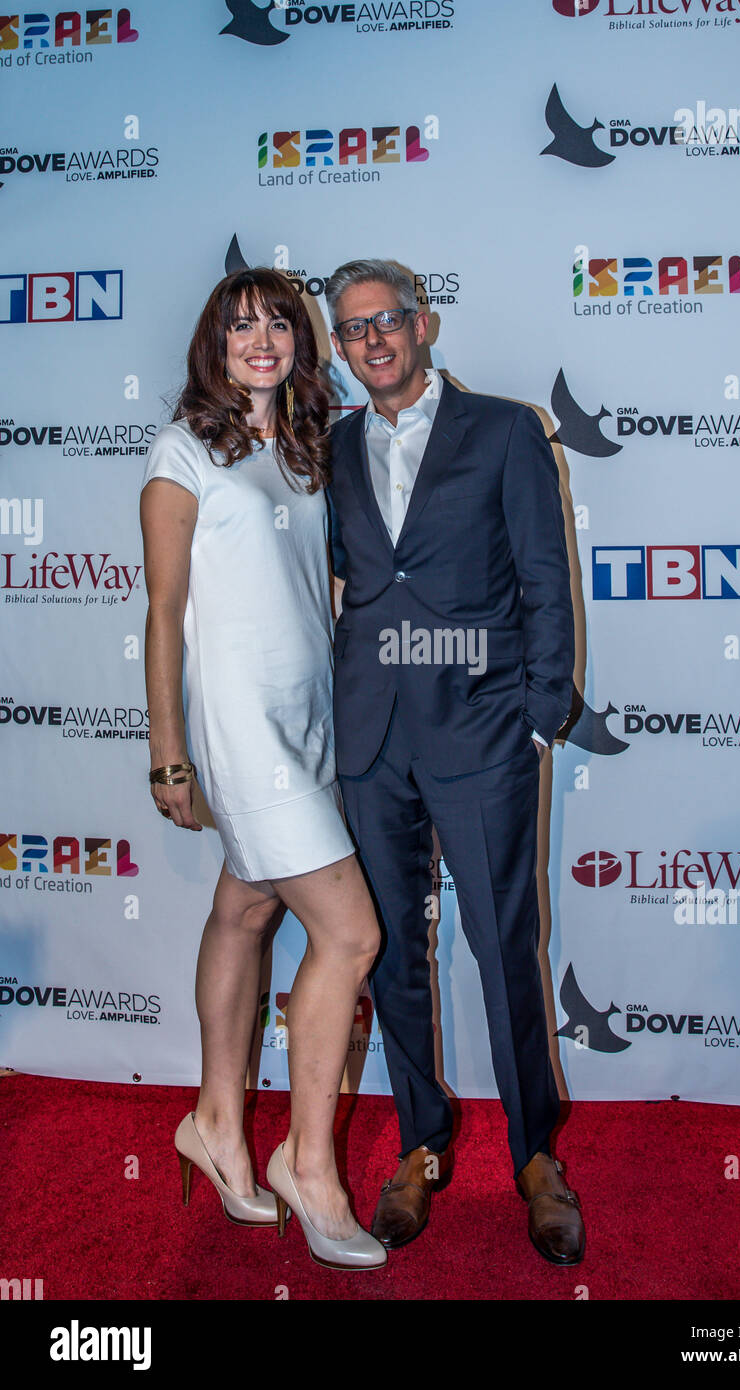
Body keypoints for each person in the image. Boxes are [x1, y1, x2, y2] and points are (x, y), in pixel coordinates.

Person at [324, 258, 586, 1265]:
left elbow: (541, 576)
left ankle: (534, 1157)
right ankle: (420, 1147)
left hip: (481, 726)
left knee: (500, 941)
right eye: (351, 331)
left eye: (386, 320)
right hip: (369, 735)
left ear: (422, 324)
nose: (372, 341)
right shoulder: (335, 446)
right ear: (339, 349)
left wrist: (536, 710)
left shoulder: (506, 429)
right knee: (386, 954)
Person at [140, 267, 385, 1271]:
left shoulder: (303, 451)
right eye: (241, 325)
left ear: (299, 342)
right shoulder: (180, 449)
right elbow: (162, 613)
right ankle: (308, 1163)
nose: (261, 339)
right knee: (353, 932)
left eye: (278, 323)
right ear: (214, 342)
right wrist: (167, 754)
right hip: (240, 734)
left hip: (309, 723)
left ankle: (213, 1124)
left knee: (242, 913)